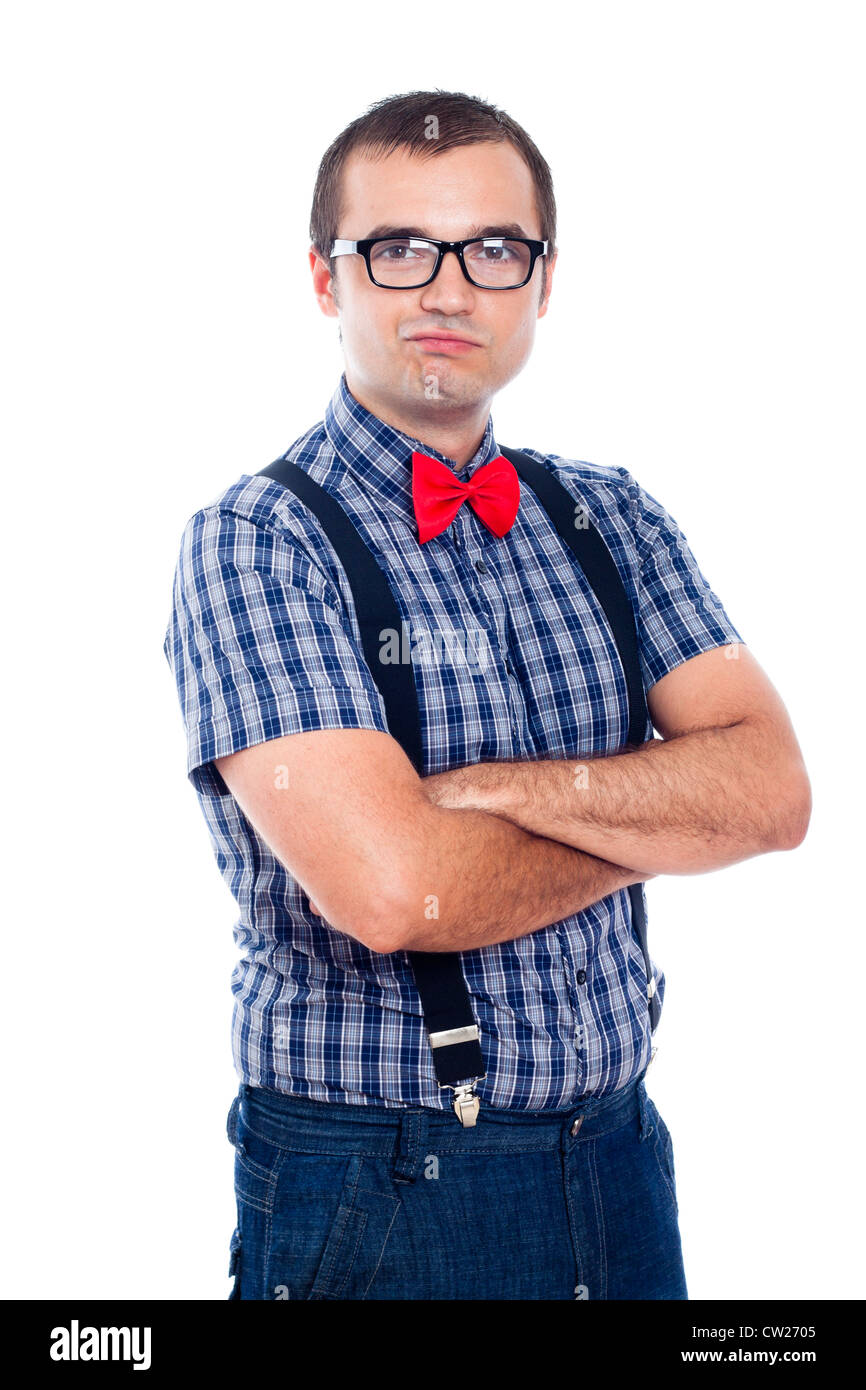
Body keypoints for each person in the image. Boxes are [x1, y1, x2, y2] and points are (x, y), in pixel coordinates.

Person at [163, 89, 811, 1301]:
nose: (448, 290)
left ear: (541, 282)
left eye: (492, 250)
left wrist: (512, 796)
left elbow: (772, 795)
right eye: (398, 249)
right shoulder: (257, 543)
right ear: (325, 280)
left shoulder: (611, 517)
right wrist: (665, 821)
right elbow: (394, 890)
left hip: (618, 1160)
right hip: (382, 1181)